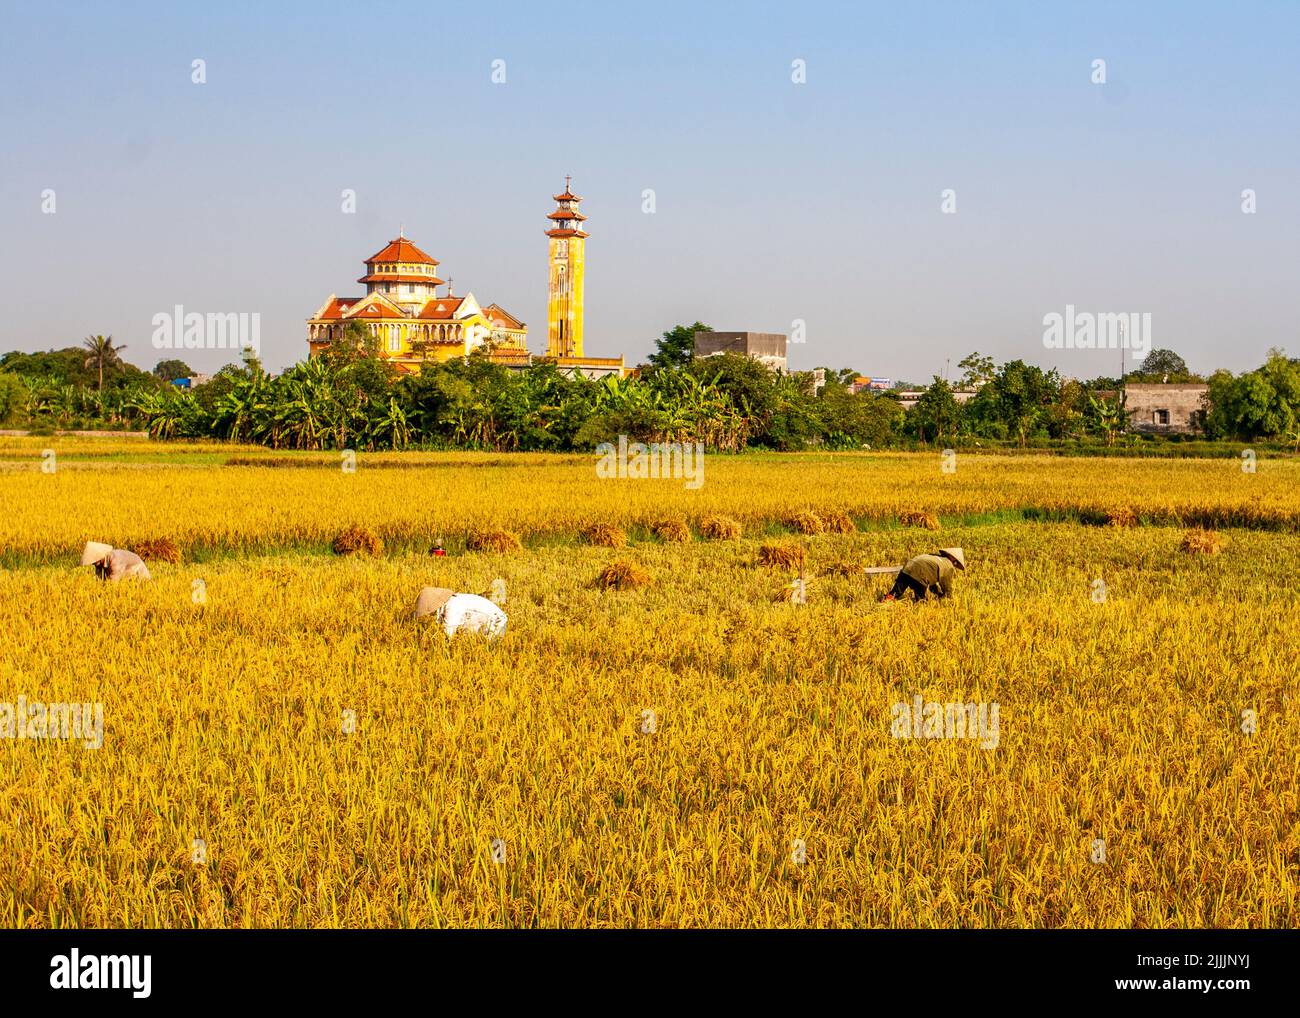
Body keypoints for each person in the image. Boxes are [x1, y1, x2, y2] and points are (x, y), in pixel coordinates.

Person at [414, 586, 507, 639]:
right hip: (488, 624)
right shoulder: (451, 602)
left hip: (497, 625)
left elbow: (448, 634)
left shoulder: (453, 605)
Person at [882, 547, 965, 602]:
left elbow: (932, 583)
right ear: (953, 558)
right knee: (920, 601)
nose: (955, 563)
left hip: (908, 567)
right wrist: (948, 598)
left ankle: (883, 604)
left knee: (895, 593)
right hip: (920, 574)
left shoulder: (936, 557)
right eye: (956, 562)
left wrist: (938, 593)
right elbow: (946, 585)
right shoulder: (948, 565)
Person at [81, 541, 151, 582]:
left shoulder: (115, 561)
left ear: (100, 557)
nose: (94, 563)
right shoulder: (99, 564)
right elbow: (100, 579)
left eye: (94, 561)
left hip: (138, 570)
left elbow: (112, 583)